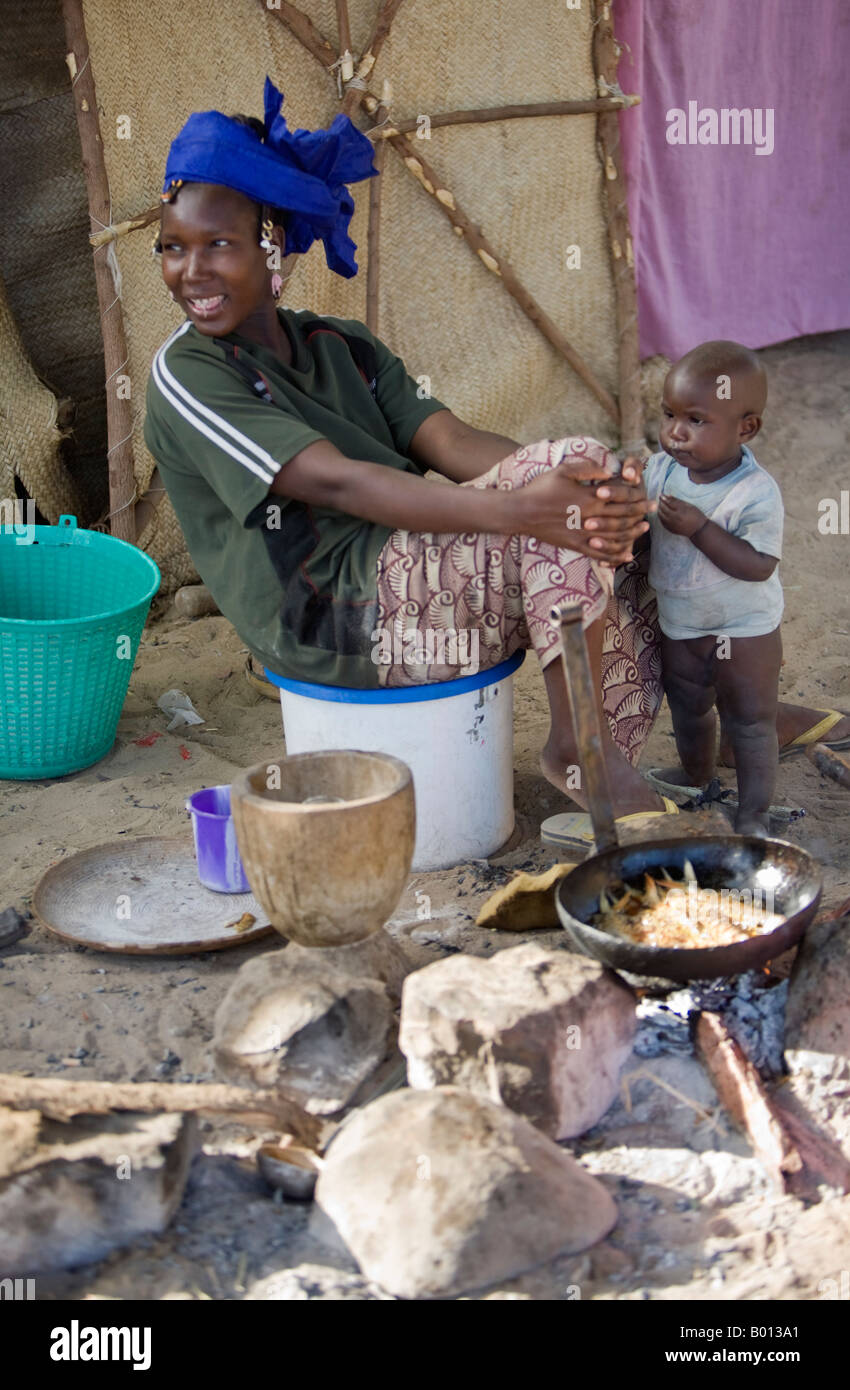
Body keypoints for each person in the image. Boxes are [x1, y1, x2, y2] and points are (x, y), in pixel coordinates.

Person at [144, 82, 850, 835]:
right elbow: (340, 481)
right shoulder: (188, 376)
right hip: (336, 618)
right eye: (172, 249)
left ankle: (739, 701)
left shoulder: (337, 344)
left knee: (616, 499)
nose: (192, 272)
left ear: (270, 241)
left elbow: (451, 443)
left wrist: (584, 489)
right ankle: (583, 746)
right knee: (562, 514)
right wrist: (525, 508)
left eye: (217, 244)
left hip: (413, 571)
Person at [641, 343, 782, 835]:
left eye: (696, 420)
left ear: (746, 428)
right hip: (681, 621)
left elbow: (760, 564)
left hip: (744, 629)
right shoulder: (660, 471)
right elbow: (640, 525)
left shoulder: (754, 492)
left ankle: (754, 814)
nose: (676, 432)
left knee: (750, 720)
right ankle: (698, 777)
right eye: (669, 414)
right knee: (688, 704)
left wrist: (700, 528)